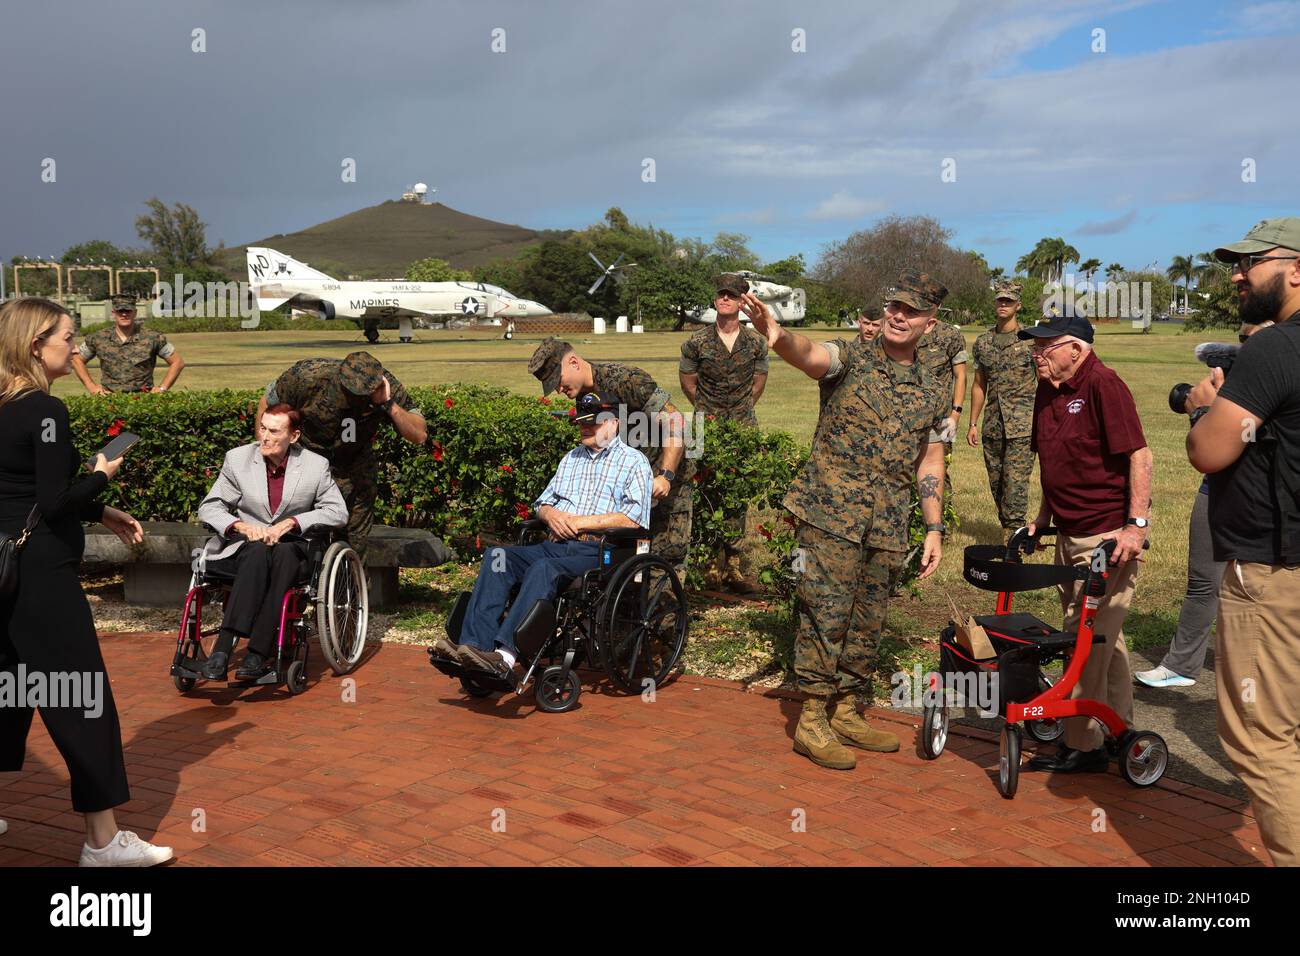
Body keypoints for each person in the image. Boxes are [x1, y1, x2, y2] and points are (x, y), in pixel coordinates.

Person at [749, 271, 949, 770]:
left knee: (867, 620)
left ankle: (846, 709)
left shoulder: (935, 386)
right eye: (893, 307)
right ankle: (811, 720)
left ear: (930, 321)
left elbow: (931, 460)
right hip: (830, 514)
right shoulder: (852, 356)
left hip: (887, 523)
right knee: (825, 613)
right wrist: (778, 337)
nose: (898, 316)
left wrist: (932, 527)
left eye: (911, 311)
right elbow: (812, 355)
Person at [0, 297, 171, 866]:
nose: (76, 349)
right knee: (82, 697)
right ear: (34, 345)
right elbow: (51, 501)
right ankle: (102, 841)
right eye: (67, 338)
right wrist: (101, 477)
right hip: (40, 577)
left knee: (9, 692)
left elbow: (22, 488)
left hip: (3, 574)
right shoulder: (45, 412)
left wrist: (99, 513)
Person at [1186, 216, 1300, 866]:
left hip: (1271, 570)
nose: (1237, 273)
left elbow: (1209, 451)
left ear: (1296, 269)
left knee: (1261, 737)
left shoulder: (1274, 349)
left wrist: (1205, 404)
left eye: (1251, 261)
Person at [437, 391, 652, 677]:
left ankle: (505, 655)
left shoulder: (633, 462)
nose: (585, 427)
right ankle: (472, 647)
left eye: (594, 423)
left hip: (599, 552)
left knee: (543, 568)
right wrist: (551, 515)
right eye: (581, 422)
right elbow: (543, 503)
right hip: (557, 545)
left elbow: (633, 518)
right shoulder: (571, 459)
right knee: (497, 556)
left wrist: (580, 523)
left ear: (614, 423)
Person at [1020, 310, 1153, 774]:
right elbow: (1056, 462)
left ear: (1076, 349)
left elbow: (1139, 454)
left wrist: (1135, 526)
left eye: (1045, 346)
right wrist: (1041, 518)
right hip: (1068, 532)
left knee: (1086, 639)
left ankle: (1082, 743)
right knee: (1102, 640)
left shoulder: (1103, 385)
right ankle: (1121, 731)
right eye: (1034, 346)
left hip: (1105, 536)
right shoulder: (1047, 388)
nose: (1036, 353)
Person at [1136, 317, 1273, 689]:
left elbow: (1254, 441)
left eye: (1256, 337)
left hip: (1263, 499)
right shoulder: (1230, 377)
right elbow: (1207, 448)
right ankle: (1181, 664)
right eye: (1242, 337)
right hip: (1215, 489)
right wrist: (1204, 411)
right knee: (1202, 582)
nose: (1247, 345)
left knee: (1264, 589)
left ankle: (1261, 670)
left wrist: (1207, 411)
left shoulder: (1280, 378)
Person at [187, 404, 348, 681]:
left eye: (274, 431)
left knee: (284, 555)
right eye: (263, 428)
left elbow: (338, 512)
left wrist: (293, 523)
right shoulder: (238, 460)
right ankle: (225, 650)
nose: (265, 436)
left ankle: (256, 652)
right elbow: (210, 507)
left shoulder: (314, 465)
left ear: (294, 436)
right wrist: (239, 526)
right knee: (258, 553)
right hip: (247, 548)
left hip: (293, 547)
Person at [529, 338, 693, 570]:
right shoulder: (583, 395)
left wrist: (666, 475)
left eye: (558, 380)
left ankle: (665, 605)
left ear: (574, 362)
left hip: (664, 475)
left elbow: (676, 422)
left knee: (664, 555)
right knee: (626, 561)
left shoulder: (625, 380)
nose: (558, 390)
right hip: (627, 481)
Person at [257, 352, 427, 558]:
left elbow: (418, 435)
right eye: (350, 391)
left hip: (354, 467)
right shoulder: (310, 376)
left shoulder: (386, 385)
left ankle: (349, 585)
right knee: (296, 535)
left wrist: (388, 404)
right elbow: (268, 403)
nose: (355, 398)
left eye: (363, 393)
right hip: (306, 460)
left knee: (353, 546)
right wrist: (267, 451)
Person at [678, 273, 769, 590]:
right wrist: (708, 408)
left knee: (737, 494)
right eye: (721, 294)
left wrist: (740, 408)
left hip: (743, 425)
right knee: (704, 488)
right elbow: (688, 382)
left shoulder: (756, 342)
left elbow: (758, 382)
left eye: (732, 294)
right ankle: (708, 562)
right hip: (706, 424)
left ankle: (732, 564)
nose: (725, 298)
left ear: (743, 301)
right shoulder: (696, 342)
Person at [968, 281, 1037, 541]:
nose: (1003, 305)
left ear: (1018, 305)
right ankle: (1008, 527)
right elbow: (978, 385)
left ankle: (1014, 539)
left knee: (1015, 483)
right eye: (1000, 300)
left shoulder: (1031, 340)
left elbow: (1045, 380)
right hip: (993, 425)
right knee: (996, 482)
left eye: (1008, 301)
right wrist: (973, 423)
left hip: (1023, 425)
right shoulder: (983, 342)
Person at [71, 293, 185, 394]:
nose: (124, 314)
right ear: (113, 313)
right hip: (109, 400)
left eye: (128, 311)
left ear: (135, 313)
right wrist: (92, 387)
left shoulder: (153, 337)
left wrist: (162, 389)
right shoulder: (98, 338)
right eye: (120, 311)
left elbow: (177, 362)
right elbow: (77, 360)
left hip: (143, 401)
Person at [916, 309, 967, 509]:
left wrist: (956, 412)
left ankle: (940, 524)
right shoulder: (906, 330)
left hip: (943, 418)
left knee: (939, 471)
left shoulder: (950, 335)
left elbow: (961, 376)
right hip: (908, 415)